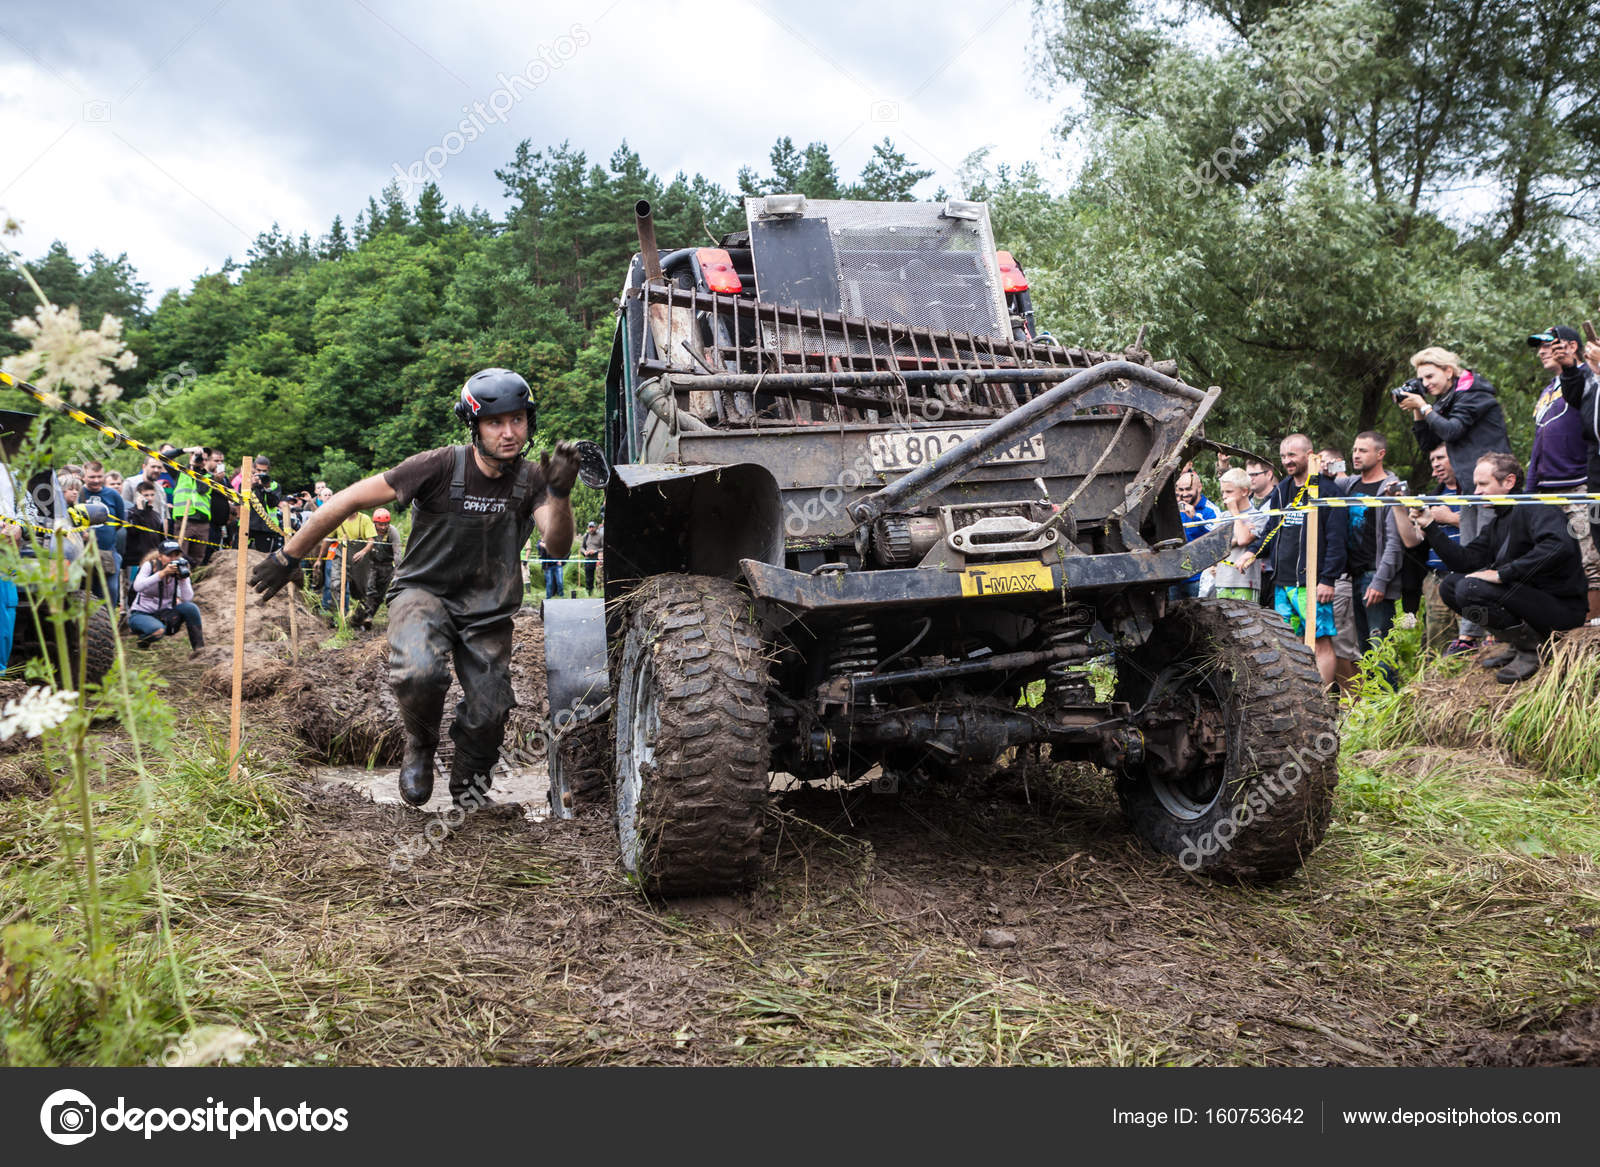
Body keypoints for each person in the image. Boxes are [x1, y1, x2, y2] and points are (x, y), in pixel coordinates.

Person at [248, 367, 579, 809]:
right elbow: (347, 500)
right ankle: (420, 745)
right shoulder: (438, 465)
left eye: (517, 420)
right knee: (419, 671)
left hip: (489, 610)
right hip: (422, 594)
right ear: (474, 425)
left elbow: (556, 546)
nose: (509, 433)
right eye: (495, 423)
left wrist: (560, 493)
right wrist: (291, 556)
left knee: (491, 709)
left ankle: (470, 786)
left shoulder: (532, 480)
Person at [1395, 452, 1584, 683]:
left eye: (1483, 484)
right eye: (1475, 485)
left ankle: (1533, 649)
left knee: (1470, 588)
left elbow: (1559, 546)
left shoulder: (1537, 508)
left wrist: (1503, 574)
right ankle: (1521, 642)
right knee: (1451, 587)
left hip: (1561, 609)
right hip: (1530, 603)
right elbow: (1465, 562)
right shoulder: (1499, 520)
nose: (1476, 492)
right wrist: (1431, 526)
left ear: (1509, 482)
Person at [1396, 346, 1509, 654]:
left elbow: (1453, 429)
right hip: (1470, 490)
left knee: (1492, 558)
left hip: (1492, 487)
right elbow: (1430, 442)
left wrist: (1426, 406)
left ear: (1449, 370)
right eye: (1421, 379)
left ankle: (1495, 631)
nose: (1426, 384)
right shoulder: (1449, 398)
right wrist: (1419, 409)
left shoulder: (1474, 393)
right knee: (1471, 560)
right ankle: (1470, 633)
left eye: (1430, 376)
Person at [1243, 434, 1347, 685]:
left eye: (1292, 455)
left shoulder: (1329, 490)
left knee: (1320, 639)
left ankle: (1322, 697)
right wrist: (1253, 551)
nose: (1287, 461)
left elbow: (1337, 539)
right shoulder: (1282, 490)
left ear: (1310, 456)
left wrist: (1328, 579)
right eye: (1283, 456)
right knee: (1291, 639)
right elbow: (1271, 528)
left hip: (1312, 581)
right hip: (1283, 581)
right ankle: (1302, 694)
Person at [1332, 432, 1402, 679]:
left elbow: (1395, 541)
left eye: (1363, 450)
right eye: (1354, 450)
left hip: (1375, 576)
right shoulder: (1349, 485)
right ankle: (1372, 709)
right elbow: (1323, 479)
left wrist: (1381, 581)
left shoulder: (1391, 488)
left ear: (1380, 454)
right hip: (1353, 575)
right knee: (1364, 651)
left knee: (1380, 650)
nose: (1356, 455)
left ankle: (1390, 706)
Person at [1418, 445, 1464, 655]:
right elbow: (1415, 540)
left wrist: (1450, 518)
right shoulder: (1433, 497)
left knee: (1470, 645)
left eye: (1440, 458)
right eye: (1432, 460)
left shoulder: (1476, 491)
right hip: (1436, 580)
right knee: (1437, 647)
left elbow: (1489, 527)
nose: (1436, 464)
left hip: (1468, 578)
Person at [128, 539, 204, 653]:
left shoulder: (181, 567)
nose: (173, 560)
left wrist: (183, 579)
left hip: (165, 613)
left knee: (191, 608)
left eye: (176, 555)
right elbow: (137, 587)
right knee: (157, 630)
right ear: (160, 557)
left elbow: (188, 598)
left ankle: (199, 649)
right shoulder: (149, 566)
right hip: (142, 613)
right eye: (169, 556)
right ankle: (143, 642)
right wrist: (162, 574)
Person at [1204, 467, 1268, 601]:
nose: (1224, 496)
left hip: (1245, 582)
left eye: (1229, 491)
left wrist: (1235, 513)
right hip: (1221, 580)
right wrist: (1234, 538)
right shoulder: (1224, 516)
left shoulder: (1258, 516)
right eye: (1223, 492)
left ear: (1245, 491)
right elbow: (1214, 545)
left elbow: (1243, 540)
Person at [81, 461, 126, 608]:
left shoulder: (112, 495)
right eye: (92, 477)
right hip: (82, 553)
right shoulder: (78, 493)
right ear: (84, 476)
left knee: (110, 591)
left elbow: (120, 522)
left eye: (99, 476)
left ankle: (110, 625)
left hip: (108, 552)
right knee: (86, 591)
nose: (96, 480)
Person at [1173, 469, 1218, 599]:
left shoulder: (1210, 510)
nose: (1184, 494)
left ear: (1199, 487)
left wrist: (1195, 518)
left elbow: (1216, 538)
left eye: (1188, 489)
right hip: (1176, 577)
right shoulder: (1175, 509)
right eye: (1180, 490)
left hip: (1199, 577)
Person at [355, 507, 403, 627]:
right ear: (375, 523)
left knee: (380, 595)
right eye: (380, 524)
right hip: (371, 564)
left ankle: (369, 616)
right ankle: (363, 615)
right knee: (369, 589)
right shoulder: (369, 529)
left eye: (385, 524)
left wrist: (398, 571)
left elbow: (397, 552)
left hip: (387, 566)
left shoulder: (393, 532)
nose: (383, 527)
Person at [328, 508, 377, 622]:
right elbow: (328, 538)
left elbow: (371, 541)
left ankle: (358, 618)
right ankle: (337, 617)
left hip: (359, 558)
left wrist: (363, 552)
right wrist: (320, 558)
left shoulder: (364, 519)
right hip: (341, 555)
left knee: (359, 589)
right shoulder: (338, 520)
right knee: (336, 584)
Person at [123, 479, 168, 592]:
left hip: (152, 559)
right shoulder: (130, 513)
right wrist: (139, 510)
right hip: (135, 560)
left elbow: (161, 538)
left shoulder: (156, 515)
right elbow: (133, 531)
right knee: (132, 587)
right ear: (138, 496)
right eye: (146, 495)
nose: (149, 498)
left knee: (151, 587)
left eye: (152, 495)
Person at [171, 448, 212, 561]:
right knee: (180, 556)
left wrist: (196, 470)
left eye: (204, 459)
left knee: (197, 559)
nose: (201, 461)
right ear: (191, 457)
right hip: (184, 520)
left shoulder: (208, 477)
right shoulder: (180, 472)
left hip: (202, 524)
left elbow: (201, 489)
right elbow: (163, 457)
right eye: (199, 457)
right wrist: (186, 450)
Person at [244, 456, 282, 553]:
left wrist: (266, 488)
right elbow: (240, 501)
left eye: (264, 471)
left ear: (268, 470)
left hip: (266, 527)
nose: (261, 473)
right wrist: (251, 486)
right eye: (258, 470)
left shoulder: (274, 485)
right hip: (248, 525)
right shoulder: (246, 483)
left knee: (263, 559)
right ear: (254, 469)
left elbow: (273, 504)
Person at [123, 456, 172, 528]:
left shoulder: (161, 489)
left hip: (156, 534)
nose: (156, 470)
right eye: (153, 466)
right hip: (136, 533)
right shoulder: (130, 483)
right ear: (144, 467)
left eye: (159, 467)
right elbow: (124, 511)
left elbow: (164, 517)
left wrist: (164, 537)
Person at [580, 519, 603, 595]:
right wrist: (585, 552)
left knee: (599, 578)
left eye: (593, 527)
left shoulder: (600, 535)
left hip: (597, 560)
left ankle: (599, 592)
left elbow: (604, 547)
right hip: (588, 560)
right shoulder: (586, 536)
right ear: (588, 528)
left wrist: (595, 551)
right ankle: (589, 593)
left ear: (596, 527)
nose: (591, 528)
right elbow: (582, 548)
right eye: (590, 527)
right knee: (588, 579)